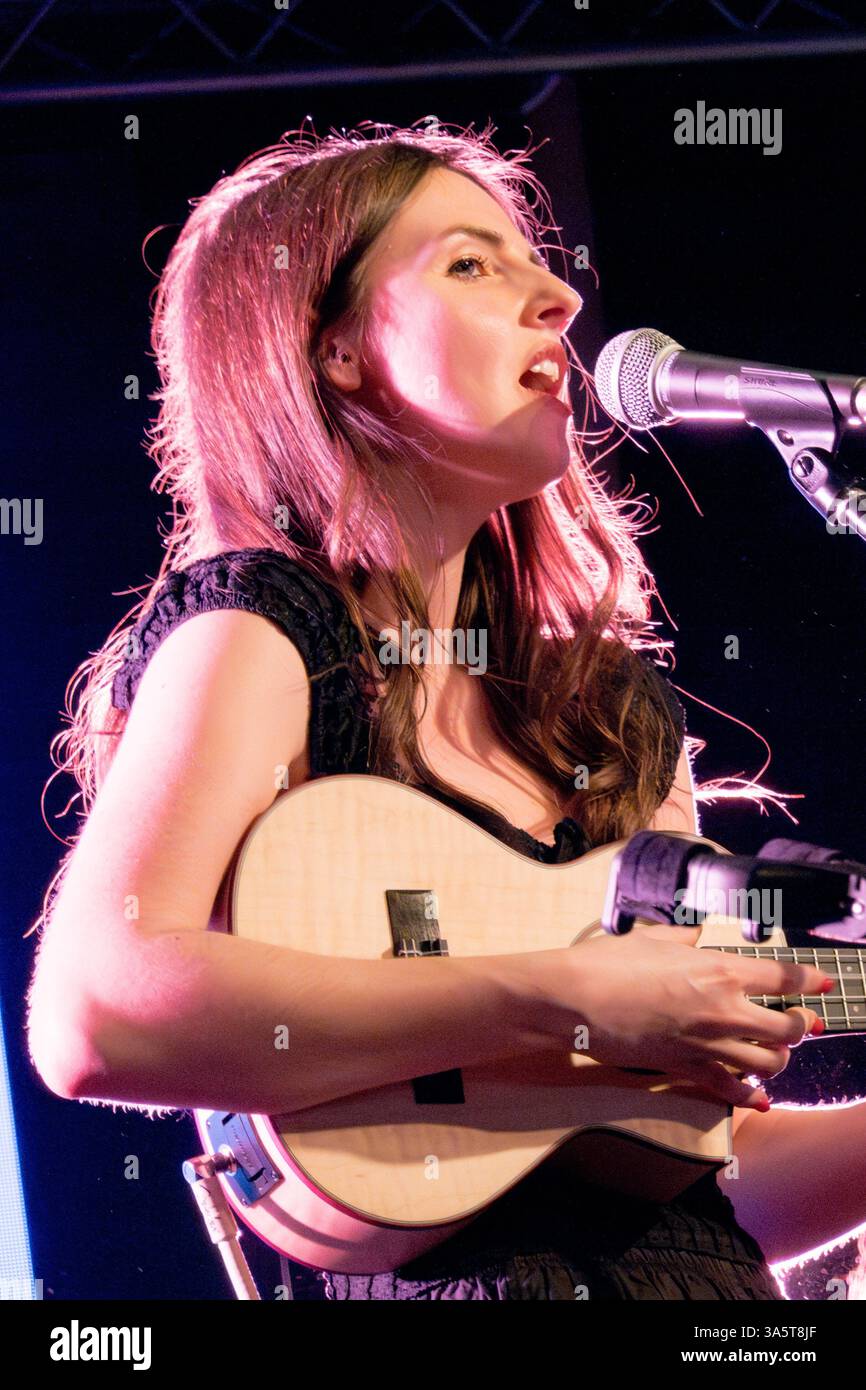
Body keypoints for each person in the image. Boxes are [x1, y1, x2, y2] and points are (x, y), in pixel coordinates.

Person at [26, 120, 836, 1300]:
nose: (555, 294)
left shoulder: (612, 715)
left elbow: (691, 1171)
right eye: (471, 263)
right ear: (338, 349)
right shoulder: (268, 631)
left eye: (534, 257)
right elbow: (94, 1012)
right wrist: (559, 996)